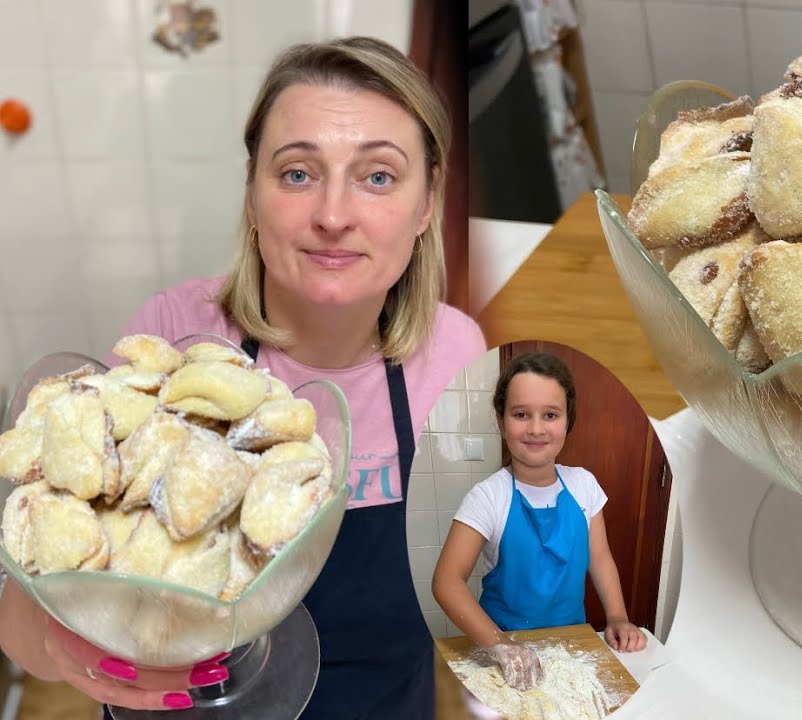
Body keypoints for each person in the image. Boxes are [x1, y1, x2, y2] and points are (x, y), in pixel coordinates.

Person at [0, 37, 485, 718]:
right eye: (296, 174)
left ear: (427, 203)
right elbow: (28, 617)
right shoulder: (170, 344)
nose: (333, 215)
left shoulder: (458, 355)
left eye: (378, 176)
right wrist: (66, 644)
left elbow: (469, 569)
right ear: (253, 198)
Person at [433, 352, 647, 692]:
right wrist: (499, 644)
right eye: (520, 415)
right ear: (502, 422)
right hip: (501, 649)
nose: (535, 428)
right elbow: (447, 582)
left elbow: (601, 559)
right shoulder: (488, 497)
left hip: (572, 645)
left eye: (550, 415)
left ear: (567, 422)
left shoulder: (584, 485)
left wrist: (618, 617)